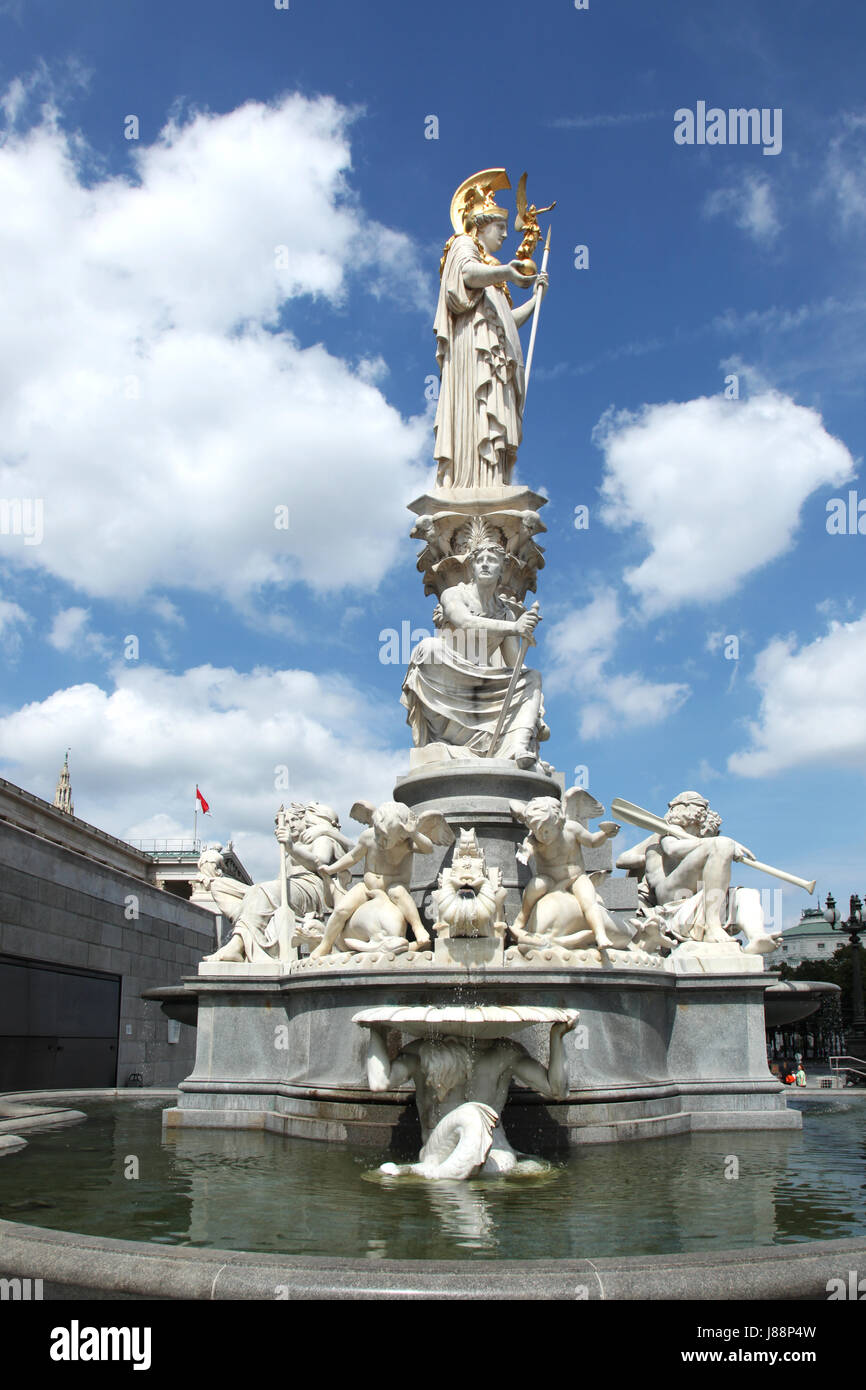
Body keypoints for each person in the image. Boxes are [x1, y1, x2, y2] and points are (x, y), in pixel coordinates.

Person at [433, 172, 548, 490]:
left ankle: (492, 480)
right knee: (477, 409)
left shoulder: (493, 273)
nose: (504, 236)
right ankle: (469, 480)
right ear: (481, 226)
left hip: (493, 355)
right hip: (472, 349)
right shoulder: (463, 245)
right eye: (500, 229)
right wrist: (507, 273)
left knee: (493, 414)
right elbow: (465, 275)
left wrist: (536, 300)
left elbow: (507, 322)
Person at [401, 528, 548, 767]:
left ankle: (518, 747)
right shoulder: (453, 594)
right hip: (449, 668)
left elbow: (513, 665)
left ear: (502, 569)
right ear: (472, 568)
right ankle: (449, 732)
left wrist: (537, 706)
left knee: (531, 677)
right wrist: (514, 628)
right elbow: (465, 622)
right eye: (480, 560)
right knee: (428, 647)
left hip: (481, 679)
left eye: (492, 561)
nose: (485, 565)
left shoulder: (507, 612)